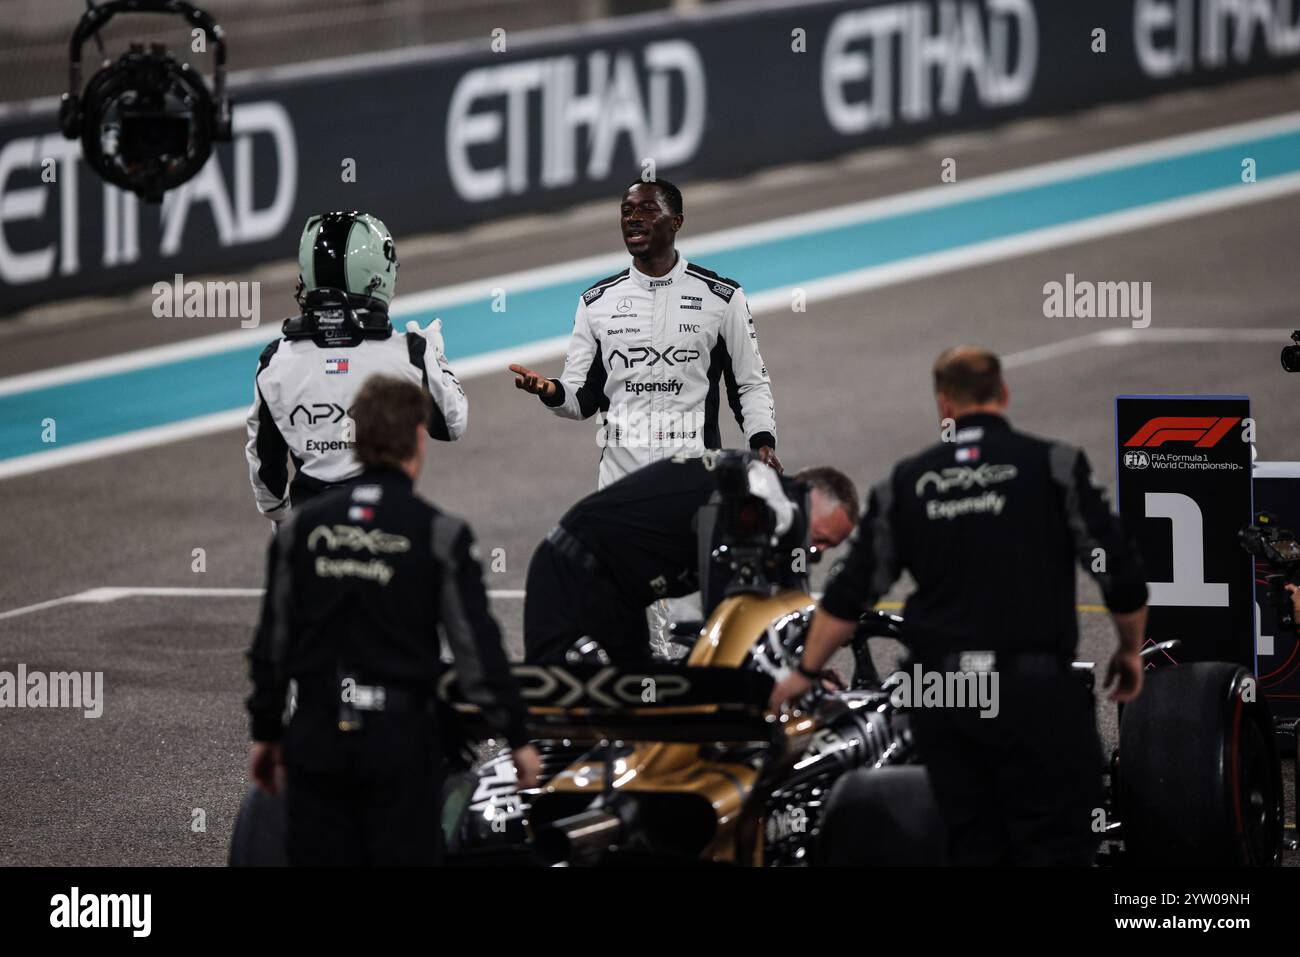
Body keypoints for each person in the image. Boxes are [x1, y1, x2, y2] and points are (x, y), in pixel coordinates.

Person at [769, 346, 1149, 866]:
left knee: (968, 845)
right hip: (1033, 690)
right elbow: (1120, 574)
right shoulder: (1055, 465)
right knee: (1054, 844)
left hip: (943, 696)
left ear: (943, 404)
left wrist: (806, 670)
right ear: (1004, 394)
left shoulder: (907, 483)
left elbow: (847, 594)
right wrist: (1128, 650)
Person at [246, 375, 539, 866]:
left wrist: (266, 731)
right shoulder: (439, 532)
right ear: (418, 438)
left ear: (355, 441)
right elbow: (476, 649)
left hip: (317, 733)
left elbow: (272, 642)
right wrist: (517, 736)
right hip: (399, 740)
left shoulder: (300, 528)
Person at [508, 179, 780, 490]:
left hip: (695, 484)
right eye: (627, 211)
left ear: (676, 222)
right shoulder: (596, 302)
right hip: (621, 489)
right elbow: (581, 400)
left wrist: (762, 442)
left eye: (648, 210)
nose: (634, 218)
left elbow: (749, 384)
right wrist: (551, 391)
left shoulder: (722, 298)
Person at [523, 452, 858, 665]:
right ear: (809, 500)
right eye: (821, 540)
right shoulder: (754, 499)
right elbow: (723, 607)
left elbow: (789, 605)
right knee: (553, 709)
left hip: (619, 596)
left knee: (636, 713)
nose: (818, 553)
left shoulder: (770, 517)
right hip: (569, 573)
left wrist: (806, 673)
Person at [246, 210, 468, 522]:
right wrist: (437, 355)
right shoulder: (409, 353)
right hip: (388, 522)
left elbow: (265, 462)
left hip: (309, 527)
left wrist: (282, 519)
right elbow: (452, 424)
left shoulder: (275, 360)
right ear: (378, 275)